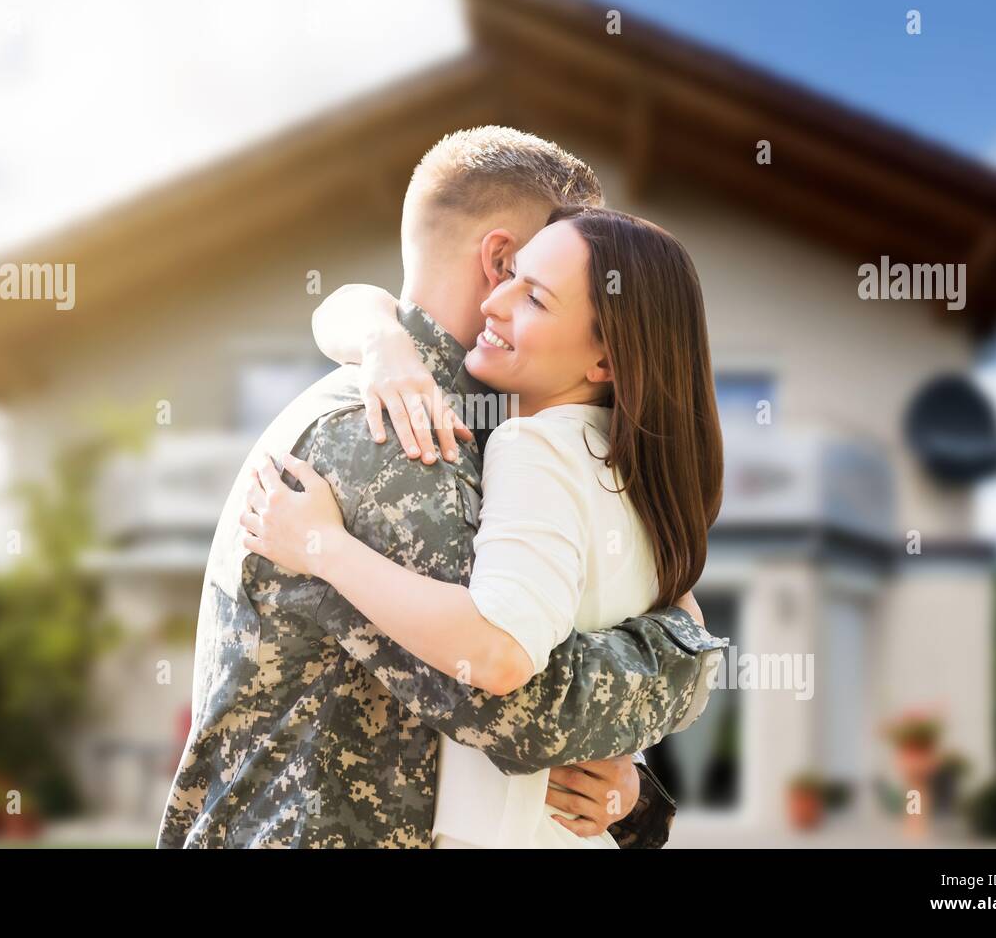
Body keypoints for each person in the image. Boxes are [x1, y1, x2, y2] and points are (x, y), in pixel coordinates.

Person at [156, 126, 727, 849]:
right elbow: (511, 694)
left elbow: (564, 627)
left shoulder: (493, 426)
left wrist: (631, 791)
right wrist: (687, 662)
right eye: (537, 264)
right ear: (499, 260)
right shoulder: (392, 435)